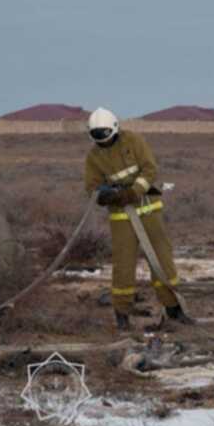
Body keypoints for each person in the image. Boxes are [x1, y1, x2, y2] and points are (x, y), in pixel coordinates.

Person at [83, 107, 192, 331]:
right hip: (122, 218)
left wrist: (133, 191)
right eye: (97, 137)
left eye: (105, 135)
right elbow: (92, 188)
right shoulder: (94, 156)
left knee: (162, 261)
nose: (102, 141)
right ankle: (122, 315)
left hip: (148, 209)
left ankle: (174, 310)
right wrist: (105, 196)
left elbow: (149, 169)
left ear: (114, 128)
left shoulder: (133, 141)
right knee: (123, 266)